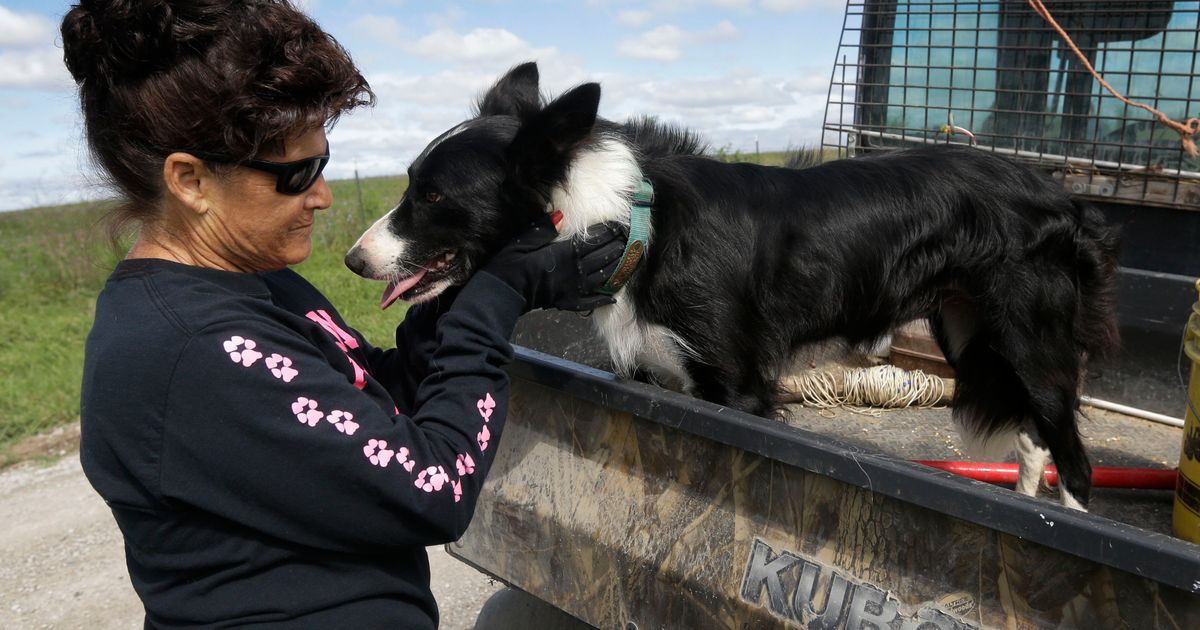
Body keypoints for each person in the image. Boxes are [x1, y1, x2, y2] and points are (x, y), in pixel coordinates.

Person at [63, 1, 626, 627]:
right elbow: (436, 487)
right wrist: (495, 301)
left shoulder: (251, 282)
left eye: (323, 163)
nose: (322, 196)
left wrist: (468, 279)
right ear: (190, 180)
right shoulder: (197, 347)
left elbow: (376, 392)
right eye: (296, 174)